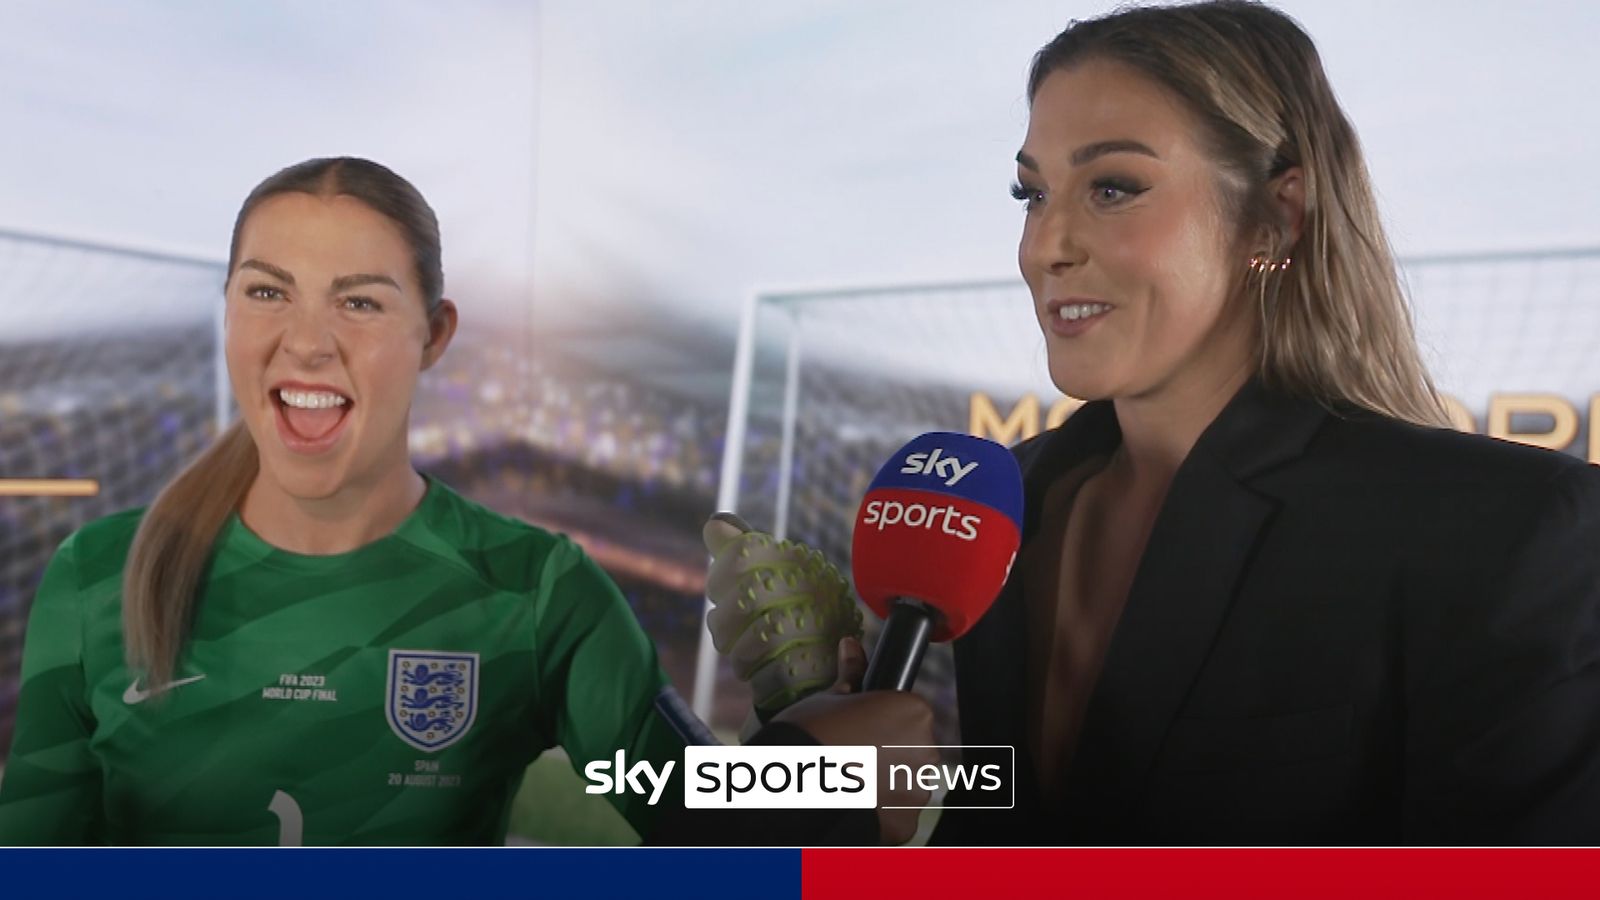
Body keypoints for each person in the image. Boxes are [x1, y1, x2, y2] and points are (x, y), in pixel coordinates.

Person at [704, 1, 1600, 844]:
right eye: (1032, 194)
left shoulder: (1513, 533)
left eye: (1114, 188)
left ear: (1276, 216)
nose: (1045, 245)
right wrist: (827, 788)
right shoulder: (1008, 503)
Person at [0, 157, 934, 845]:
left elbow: (707, 825)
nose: (307, 342)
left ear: (433, 334)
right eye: (267, 291)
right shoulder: (100, 575)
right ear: (230, 309)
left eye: (359, 302)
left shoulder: (536, 592)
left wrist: (825, 776)